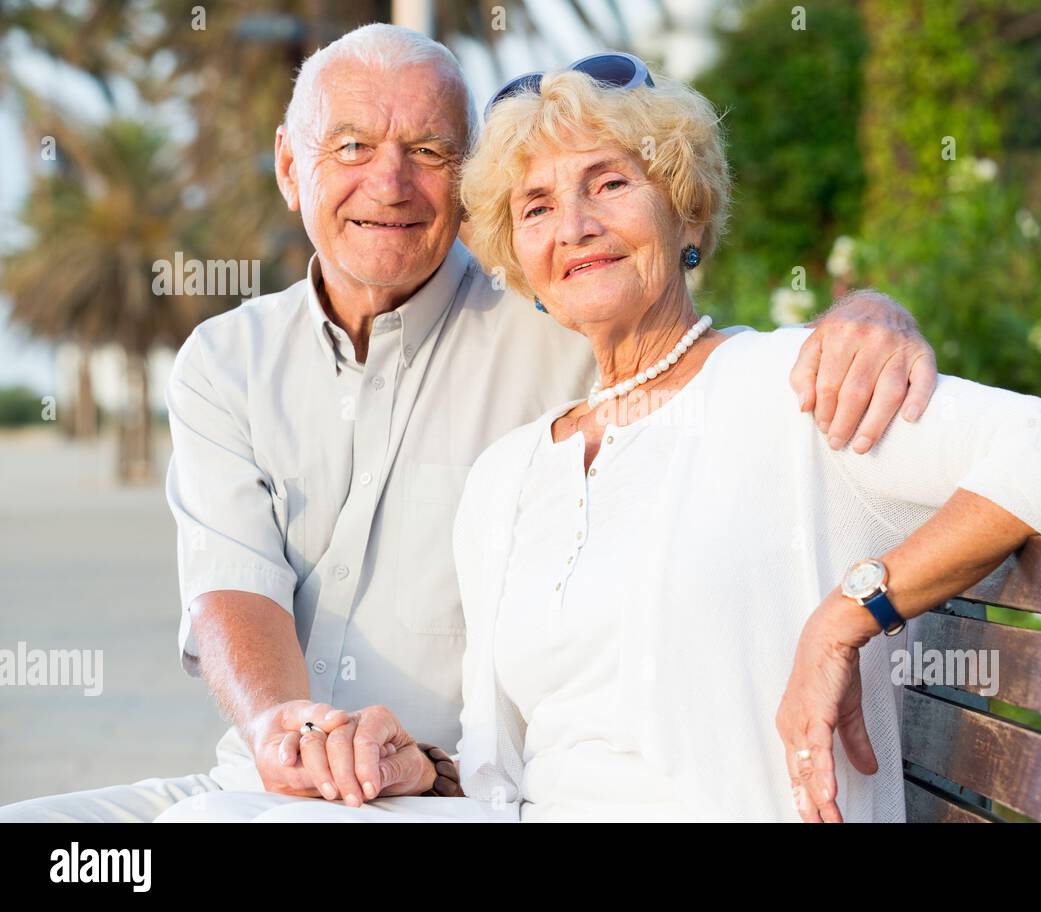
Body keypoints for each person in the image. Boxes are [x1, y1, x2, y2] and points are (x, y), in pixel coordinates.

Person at [0, 26, 936, 823]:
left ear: (469, 179)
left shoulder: (564, 338)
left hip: (446, 796)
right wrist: (290, 734)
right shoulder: (223, 360)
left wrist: (876, 313)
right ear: (292, 168)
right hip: (260, 771)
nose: (392, 183)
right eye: (353, 147)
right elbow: (230, 587)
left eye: (432, 152)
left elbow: (697, 344)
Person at [441, 57, 1041, 822]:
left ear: (687, 213)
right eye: (536, 208)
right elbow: (492, 766)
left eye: (608, 183)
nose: (575, 226)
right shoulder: (504, 479)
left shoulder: (798, 386)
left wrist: (847, 616)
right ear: (521, 261)